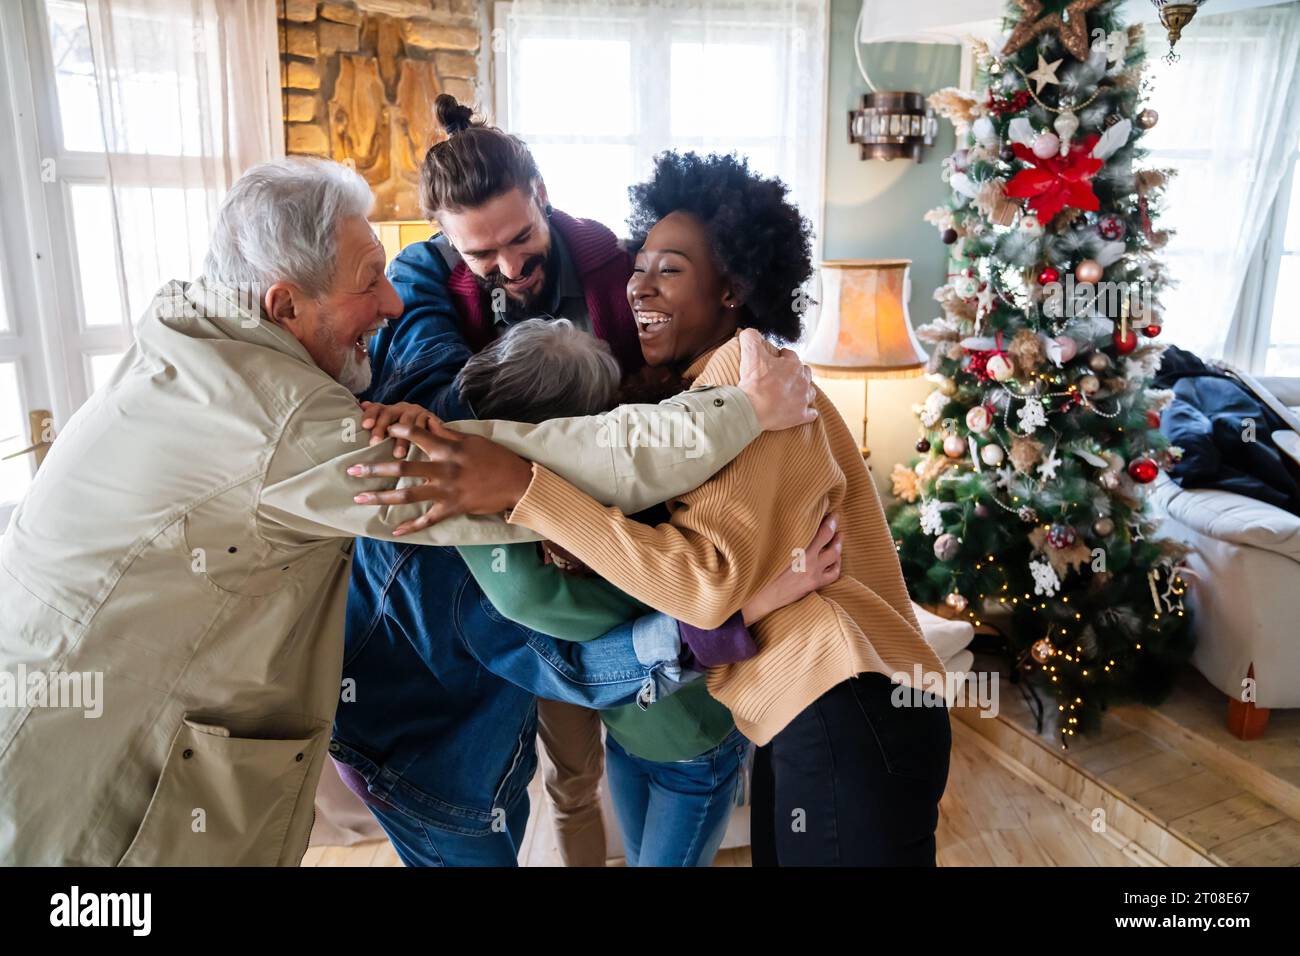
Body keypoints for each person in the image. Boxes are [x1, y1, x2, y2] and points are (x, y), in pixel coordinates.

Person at [0, 156, 815, 865]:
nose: (390, 305)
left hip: (391, 750)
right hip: (116, 791)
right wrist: (742, 414)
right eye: (368, 282)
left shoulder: (198, 337)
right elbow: (535, 488)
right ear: (284, 306)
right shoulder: (289, 429)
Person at [370, 152, 954, 866]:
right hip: (809, 708)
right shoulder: (699, 395)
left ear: (733, 287)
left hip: (847, 696)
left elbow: (705, 584)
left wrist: (527, 491)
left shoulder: (746, 375)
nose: (639, 286)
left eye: (669, 270)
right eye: (639, 266)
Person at [337, 94, 814, 866]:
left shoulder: (609, 267)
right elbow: (447, 423)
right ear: (446, 241)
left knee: (622, 704)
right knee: (571, 770)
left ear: (543, 197)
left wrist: (583, 504)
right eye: (482, 255)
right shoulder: (423, 282)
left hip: (627, 532)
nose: (511, 269)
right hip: (527, 549)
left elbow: (655, 400)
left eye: (522, 239)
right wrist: (542, 499)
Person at [451, 317, 843, 866]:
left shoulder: (627, 509)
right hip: (630, 734)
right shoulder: (532, 549)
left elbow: (682, 606)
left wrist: (754, 601)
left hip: (694, 743)